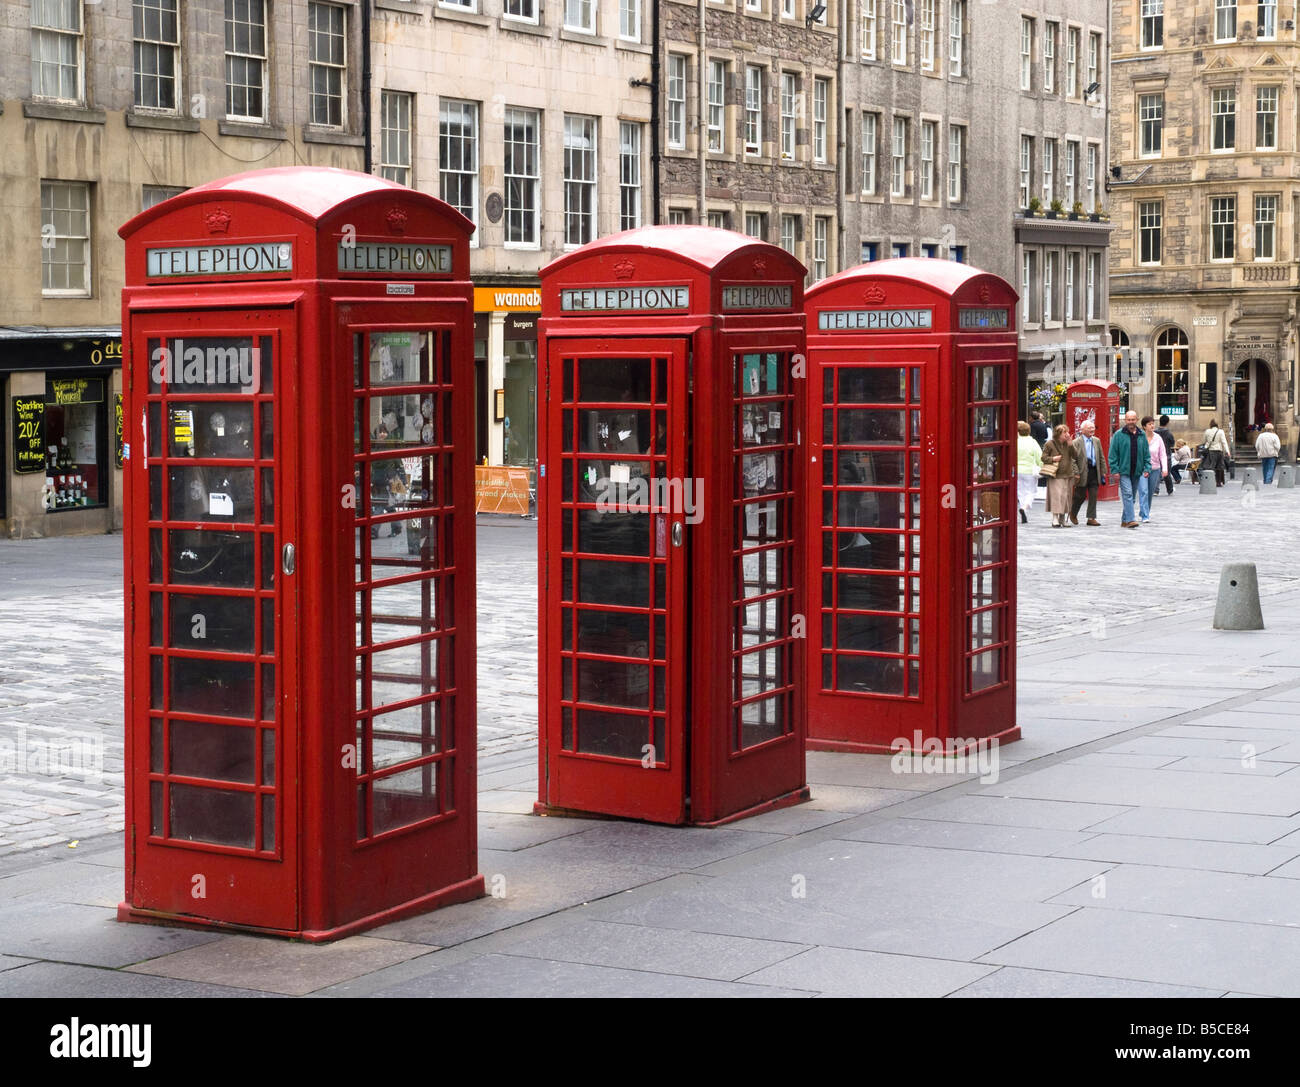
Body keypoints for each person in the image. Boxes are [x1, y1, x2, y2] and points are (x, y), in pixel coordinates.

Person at [1108, 409, 1152, 527]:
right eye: (1128, 419)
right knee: (1127, 494)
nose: (1131, 422)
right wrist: (1115, 470)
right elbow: (1112, 454)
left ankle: (1124, 519)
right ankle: (1131, 520)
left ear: (1137, 420)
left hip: (1137, 471)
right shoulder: (1118, 435)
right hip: (1123, 471)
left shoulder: (1142, 435)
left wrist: (1147, 468)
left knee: (1131, 497)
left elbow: (1146, 454)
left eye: (1133, 419)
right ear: (1125, 420)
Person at [1041, 423, 1080, 527]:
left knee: (1066, 497)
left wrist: (1071, 444)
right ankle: (1055, 518)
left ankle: (1062, 519)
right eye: (1064, 432)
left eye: (1067, 432)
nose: (1067, 434)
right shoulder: (1050, 444)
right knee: (1056, 497)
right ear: (1058, 434)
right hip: (1055, 475)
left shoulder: (1068, 444)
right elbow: (1043, 458)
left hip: (1068, 474)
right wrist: (1053, 459)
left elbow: (1075, 456)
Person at [1070, 418, 1105, 526]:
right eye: (1089, 428)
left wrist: (1103, 471)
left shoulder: (1096, 440)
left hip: (1094, 471)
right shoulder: (1076, 442)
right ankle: (1073, 513)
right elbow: (1072, 459)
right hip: (1082, 472)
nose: (1092, 429)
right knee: (1080, 496)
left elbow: (1101, 457)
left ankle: (1091, 518)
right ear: (1083, 430)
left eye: (1093, 427)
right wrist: (1076, 472)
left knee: (1093, 495)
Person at [1141, 416, 1169, 522]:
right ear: (1144, 427)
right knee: (1143, 491)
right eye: (1149, 424)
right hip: (1142, 469)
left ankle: (1145, 510)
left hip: (1155, 468)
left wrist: (1164, 469)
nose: (1152, 426)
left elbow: (1163, 454)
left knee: (1150, 492)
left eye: (1153, 423)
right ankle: (1145, 515)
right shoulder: (1140, 437)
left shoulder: (1158, 438)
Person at [1016, 420, 1042, 524]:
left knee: (1021, 491)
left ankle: (1022, 507)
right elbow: (1039, 457)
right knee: (1031, 491)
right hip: (1030, 470)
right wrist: (1042, 466)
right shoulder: (1032, 442)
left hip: (1017, 470)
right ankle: (1025, 507)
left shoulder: (1016, 441)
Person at [1202, 419, 1230, 487]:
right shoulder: (1220, 431)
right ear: (1217, 425)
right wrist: (1227, 451)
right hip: (1219, 451)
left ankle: (1210, 481)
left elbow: (1204, 441)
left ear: (1210, 424)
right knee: (1219, 467)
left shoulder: (1207, 431)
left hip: (1211, 451)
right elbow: (1224, 442)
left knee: (1210, 466)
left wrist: (1207, 444)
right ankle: (1218, 482)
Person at [1156, 415, 1176, 495]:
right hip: (1166, 454)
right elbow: (1172, 444)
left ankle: (1155, 490)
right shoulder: (1169, 433)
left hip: (1156, 455)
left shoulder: (1154, 432)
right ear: (1167, 422)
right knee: (1167, 473)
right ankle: (1170, 489)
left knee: (1156, 473)